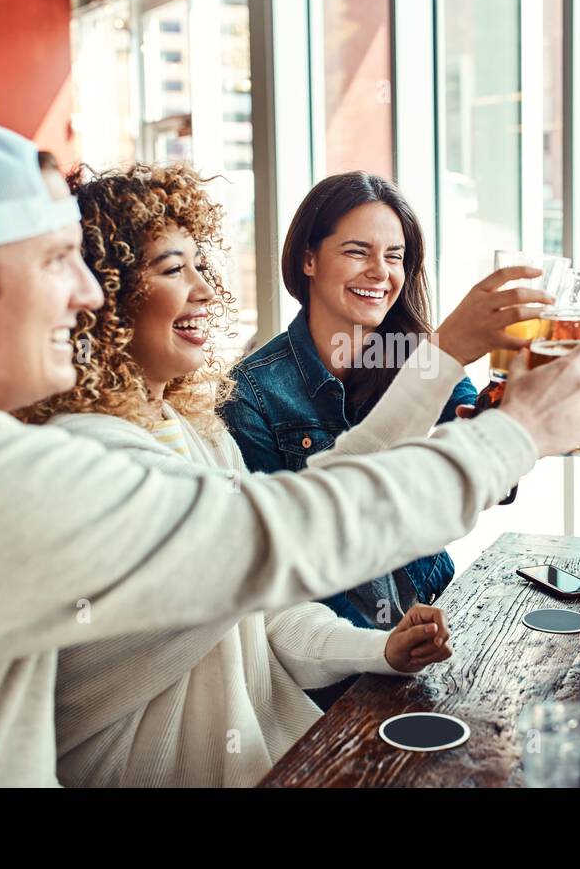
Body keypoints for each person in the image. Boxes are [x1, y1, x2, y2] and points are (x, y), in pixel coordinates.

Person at [0, 114, 580, 786]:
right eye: (54, 260)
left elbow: (279, 533)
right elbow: (284, 533)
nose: (88, 294)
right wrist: (519, 431)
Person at [20, 163, 541, 786]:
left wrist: (380, 649)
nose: (207, 291)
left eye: (198, 267)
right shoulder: (91, 456)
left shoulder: (197, 431)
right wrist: (450, 362)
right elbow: (298, 534)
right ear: (97, 293)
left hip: (279, 749)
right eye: (171, 269)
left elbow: (272, 611)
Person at [223, 173, 543, 652]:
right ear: (308, 258)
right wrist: (374, 643)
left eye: (395, 257)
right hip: (320, 650)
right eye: (357, 251)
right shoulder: (252, 392)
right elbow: (280, 556)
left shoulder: (423, 357)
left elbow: (497, 487)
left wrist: (505, 420)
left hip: (435, 615)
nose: (380, 272)